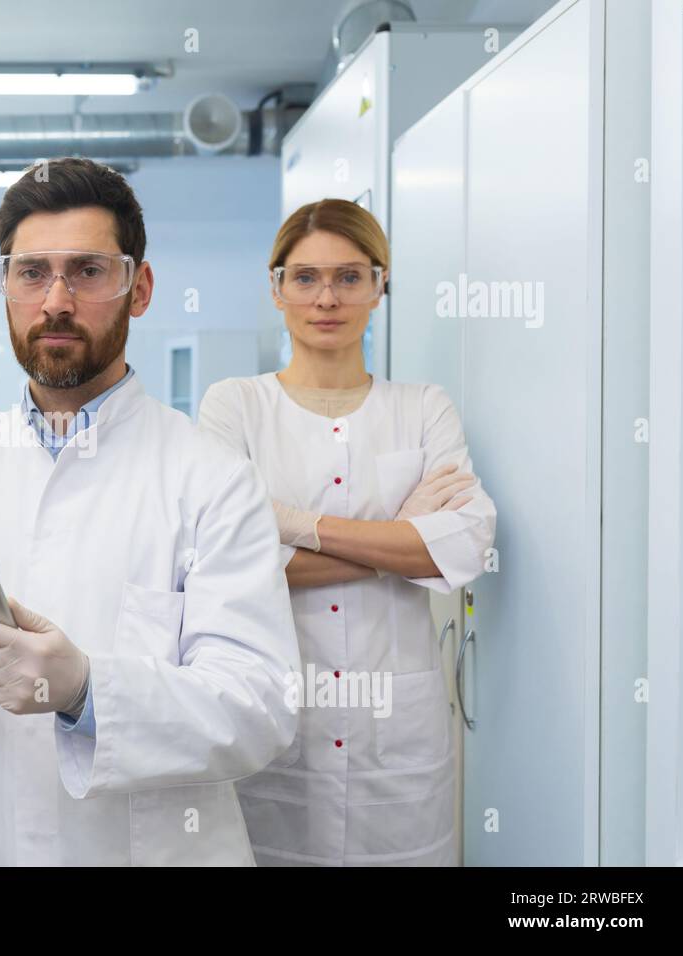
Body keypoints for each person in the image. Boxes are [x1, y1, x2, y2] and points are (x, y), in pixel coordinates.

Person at [0, 158, 300, 866]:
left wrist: (84, 689)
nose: (55, 300)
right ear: (6, 287)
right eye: (31, 273)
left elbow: (260, 707)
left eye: (87, 271)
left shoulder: (213, 480)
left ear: (138, 289)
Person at [197, 198, 497, 866]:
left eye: (350, 276)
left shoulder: (422, 407)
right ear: (275, 289)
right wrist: (402, 540)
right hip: (275, 723)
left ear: (379, 285)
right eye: (304, 277)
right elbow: (225, 562)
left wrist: (288, 524)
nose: (326, 297)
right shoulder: (235, 405)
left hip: (399, 741)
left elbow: (467, 546)